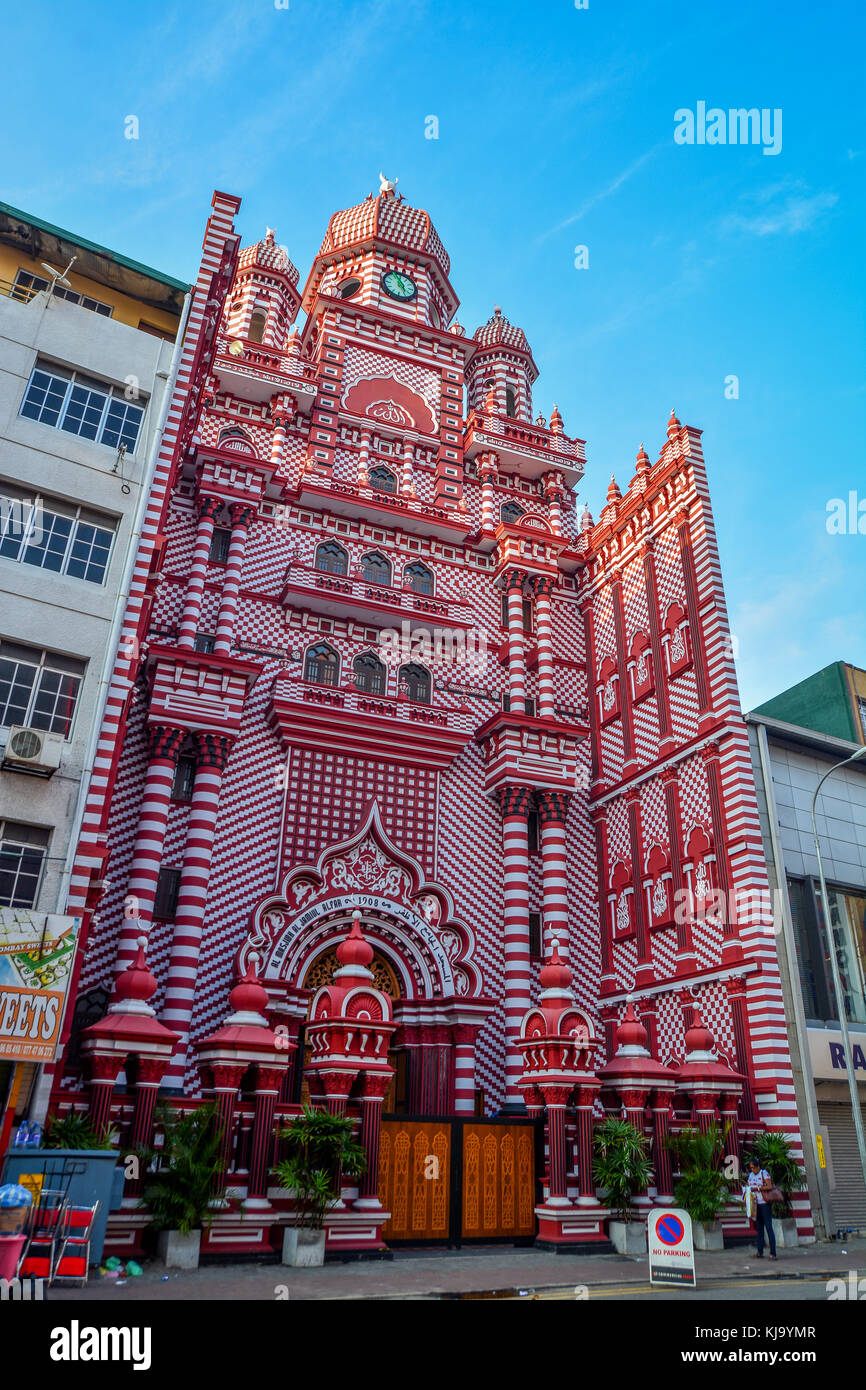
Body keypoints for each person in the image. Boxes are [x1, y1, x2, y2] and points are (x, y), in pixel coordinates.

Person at [747, 1158, 777, 1259]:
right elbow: (749, 1185)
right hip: (756, 1204)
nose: (752, 1170)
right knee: (759, 1228)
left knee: (768, 1227)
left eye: (754, 1167)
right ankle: (760, 1252)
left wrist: (758, 1188)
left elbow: (769, 1186)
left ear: (758, 1166)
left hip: (764, 1203)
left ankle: (773, 1253)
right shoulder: (751, 1175)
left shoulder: (764, 1173)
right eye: (751, 1168)